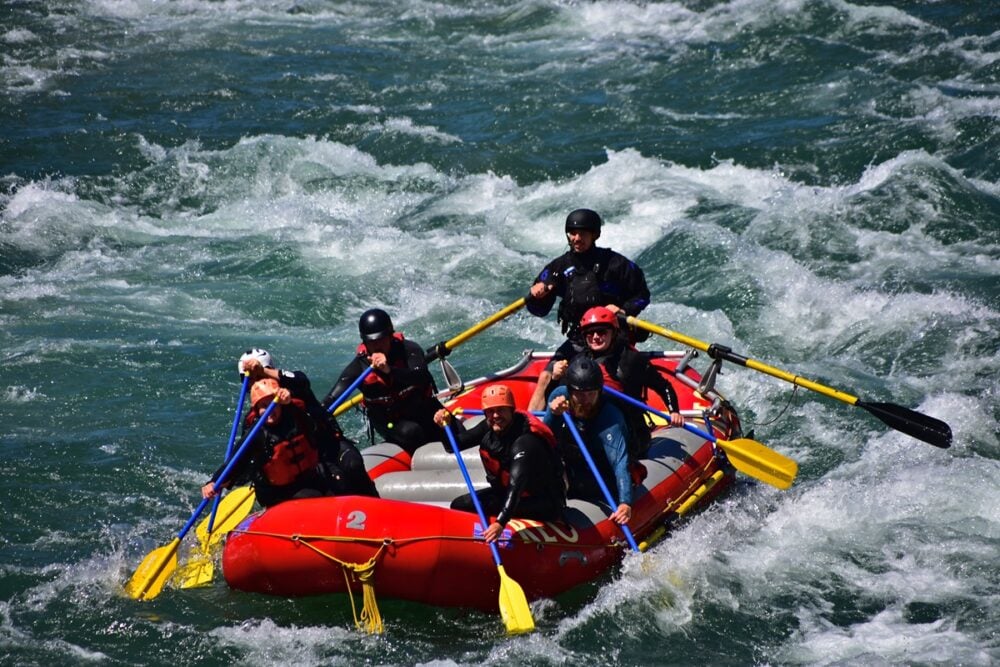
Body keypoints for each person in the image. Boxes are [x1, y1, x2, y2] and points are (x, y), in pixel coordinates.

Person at [525, 208, 651, 410]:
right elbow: (538, 310)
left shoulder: (615, 264)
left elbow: (642, 294)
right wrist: (538, 294)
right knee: (546, 376)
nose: (576, 238)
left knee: (614, 377)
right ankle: (533, 428)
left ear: (594, 235)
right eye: (572, 233)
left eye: (582, 234)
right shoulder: (558, 268)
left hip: (612, 337)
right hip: (579, 338)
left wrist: (623, 310)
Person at [531, 307, 684, 452]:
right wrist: (555, 379)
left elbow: (663, 386)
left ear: (614, 332)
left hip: (629, 432)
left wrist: (674, 411)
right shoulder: (578, 362)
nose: (596, 337)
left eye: (601, 332)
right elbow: (555, 396)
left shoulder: (632, 360)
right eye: (590, 333)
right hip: (588, 430)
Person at [237, 348, 378, 498]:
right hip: (301, 470)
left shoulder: (295, 388)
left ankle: (375, 504)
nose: (259, 383)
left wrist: (263, 371)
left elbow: (300, 380)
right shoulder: (254, 420)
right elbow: (246, 459)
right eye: (252, 380)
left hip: (327, 447)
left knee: (352, 464)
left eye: (261, 375)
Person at [202, 378, 364, 508]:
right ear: (256, 410)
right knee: (312, 496)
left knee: (340, 483)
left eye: (273, 404)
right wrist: (213, 482)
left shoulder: (296, 417)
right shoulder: (257, 433)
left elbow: (316, 416)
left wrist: (290, 402)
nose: (269, 410)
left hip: (310, 477)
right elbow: (235, 461)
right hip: (280, 492)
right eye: (263, 406)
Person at [433, 385, 566, 543]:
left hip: (542, 501)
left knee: (478, 506)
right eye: (490, 411)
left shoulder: (526, 440)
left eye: (501, 410)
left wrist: (500, 523)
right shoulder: (489, 426)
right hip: (508, 493)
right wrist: (444, 426)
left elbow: (516, 485)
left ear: (511, 410)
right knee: (459, 505)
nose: (495, 415)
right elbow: (453, 446)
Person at [323, 309, 446, 455]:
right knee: (412, 432)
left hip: (421, 407)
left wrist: (389, 370)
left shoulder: (409, 349)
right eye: (372, 342)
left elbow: (421, 376)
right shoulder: (358, 368)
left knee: (453, 427)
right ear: (364, 342)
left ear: (390, 336)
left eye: (381, 340)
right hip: (389, 421)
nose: (377, 346)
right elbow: (331, 400)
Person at [542, 355, 634, 526]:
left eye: (591, 394)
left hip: (600, 472)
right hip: (571, 462)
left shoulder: (610, 416)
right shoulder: (559, 397)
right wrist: (552, 415)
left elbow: (620, 463)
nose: (586, 401)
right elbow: (544, 439)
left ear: (599, 391)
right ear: (570, 391)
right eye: (579, 395)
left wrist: (625, 502)